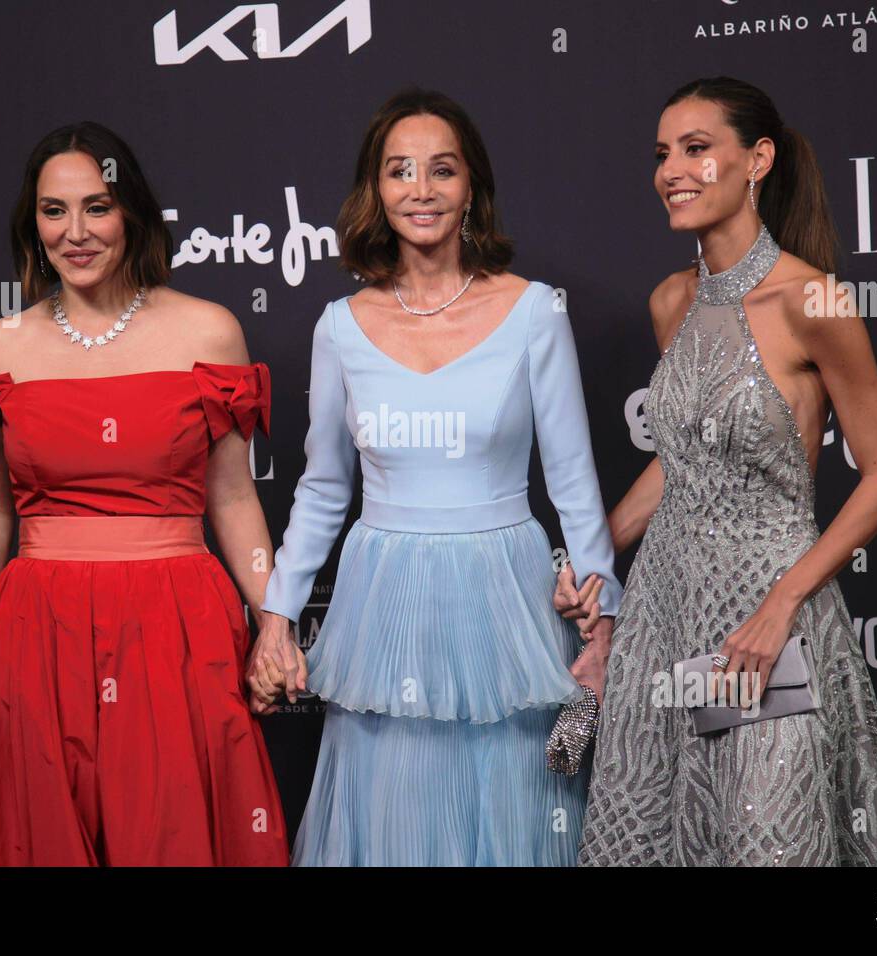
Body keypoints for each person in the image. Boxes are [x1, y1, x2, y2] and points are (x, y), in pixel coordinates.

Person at [247, 88, 620, 865]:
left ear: (471, 187)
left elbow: (574, 480)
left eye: (441, 170)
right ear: (374, 192)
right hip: (385, 602)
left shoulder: (534, 312)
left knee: (512, 810)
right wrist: (276, 615)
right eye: (400, 171)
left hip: (505, 598)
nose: (421, 188)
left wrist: (601, 615)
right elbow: (322, 489)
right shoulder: (341, 327)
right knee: (393, 814)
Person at [574, 77, 877, 866]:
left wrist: (782, 602)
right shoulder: (670, 302)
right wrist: (593, 555)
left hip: (761, 621)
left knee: (764, 838)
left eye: (698, 149)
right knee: (666, 836)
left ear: (757, 159)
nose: (673, 170)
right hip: (666, 610)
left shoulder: (812, 301)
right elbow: (687, 459)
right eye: (664, 154)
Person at [0, 121, 287, 866]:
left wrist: (272, 623)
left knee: (172, 838)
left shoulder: (209, 332)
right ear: (31, 224)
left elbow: (232, 499)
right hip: (36, 635)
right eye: (53, 211)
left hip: (176, 626)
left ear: (130, 211)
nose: (76, 232)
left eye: (96, 207)